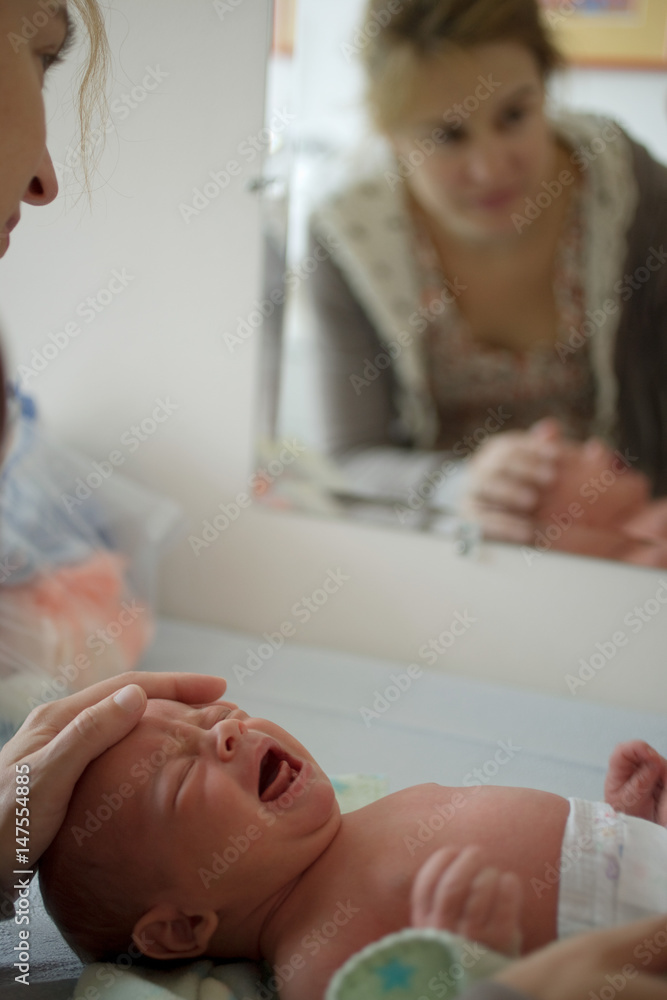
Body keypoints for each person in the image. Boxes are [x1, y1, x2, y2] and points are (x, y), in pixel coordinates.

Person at [298, 0, 667, 546]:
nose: (491, 168)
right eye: (448, 137)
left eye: (515, 116)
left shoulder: (626, 189)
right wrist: (459, 487)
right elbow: (351, 459)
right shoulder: (350, 237)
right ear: (392, 135)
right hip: (458, 553)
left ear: (547, 90)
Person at [38, 697, 667, 1000]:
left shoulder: (368, 820)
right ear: (180, 928)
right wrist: (464, 966)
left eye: (208, 720)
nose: (226, 733)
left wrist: (628, 827)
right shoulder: (320, 963)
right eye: (177, 780)